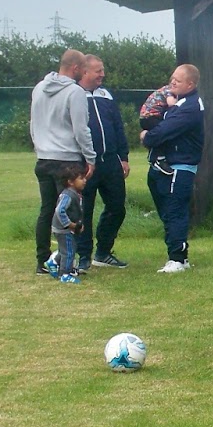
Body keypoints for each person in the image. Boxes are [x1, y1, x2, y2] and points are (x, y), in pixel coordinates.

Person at [29, 49, 96, 275]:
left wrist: (39, 146)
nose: (84, 73)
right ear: (75, 68)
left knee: (47, 211)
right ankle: (66, 263)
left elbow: (33, 123)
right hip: (66, 159)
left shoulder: (39, 88)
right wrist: (90, 157)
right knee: (70, 212)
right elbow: (81, 128)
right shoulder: (75, 92)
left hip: (44, 157)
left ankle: (43, 260)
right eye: (83, 69)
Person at [139, 64, 204, 274]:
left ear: (190, 84)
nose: (172, 82)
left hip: (180, 166)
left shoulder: (191, 107)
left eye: (178, 80)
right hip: (164, 166)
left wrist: (146, 137)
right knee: (167, 212)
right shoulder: (177, 103)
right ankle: (176, 252)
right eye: (172, 78)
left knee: (176, 211)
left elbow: (163, 132)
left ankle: (177, 258)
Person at [78, 56, 130, 270]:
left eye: (103, 70)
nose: (102, 74)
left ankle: (103, 251)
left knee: (117, 207)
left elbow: (118, 127)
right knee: (83, 211)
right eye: (98, 71)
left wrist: (123, 157)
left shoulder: (105, 95)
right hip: (84, 164)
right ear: (84, 72)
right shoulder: (74, 94)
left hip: (110, 162)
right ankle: (82, 257)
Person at [50, 164, 88, 284]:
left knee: (65, 249)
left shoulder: (74, 193)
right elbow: (59, 210)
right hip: (63, 229)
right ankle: (65, 274)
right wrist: (69, 224)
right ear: (70, 182)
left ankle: (53, 262)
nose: (85, 181)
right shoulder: (68, 194)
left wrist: (78, 224)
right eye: (81, 178)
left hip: (64, 229)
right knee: (69, 251)